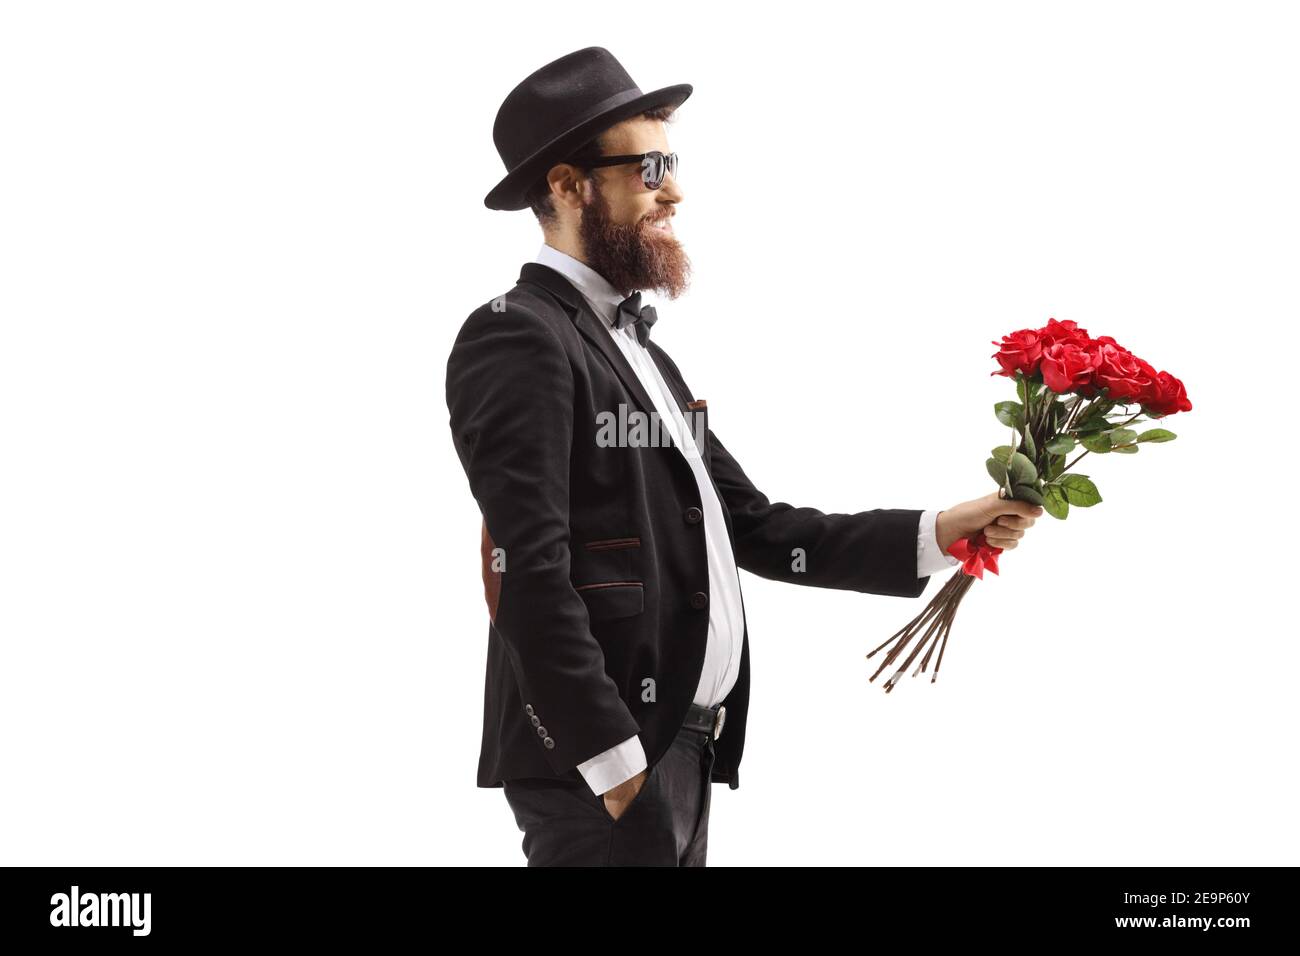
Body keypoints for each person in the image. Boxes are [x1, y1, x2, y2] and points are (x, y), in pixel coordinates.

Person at [445, 46, 1042, 866]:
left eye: (673, 162)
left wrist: (942, 530)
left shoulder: (642, 354)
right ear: (566, 184)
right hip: (614, 768)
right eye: (650, 166)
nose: (675, 190)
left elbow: (753, 527)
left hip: (679, 756)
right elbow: (525, 570)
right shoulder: (518, 333)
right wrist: (617, 768)